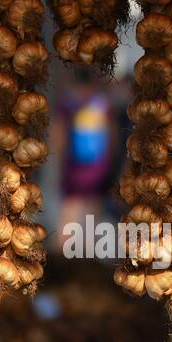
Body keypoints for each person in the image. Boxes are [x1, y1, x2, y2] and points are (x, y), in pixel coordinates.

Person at [53, 67, 120, 231]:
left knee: (69, 213)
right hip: (98, 168)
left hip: (73, 168)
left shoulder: (67, 104)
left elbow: (59, 137)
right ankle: (91, 253)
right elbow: (113, 138)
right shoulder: (103, 105)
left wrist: (59, 163)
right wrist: (110, 162)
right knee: (94, 213)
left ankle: (64, 254)